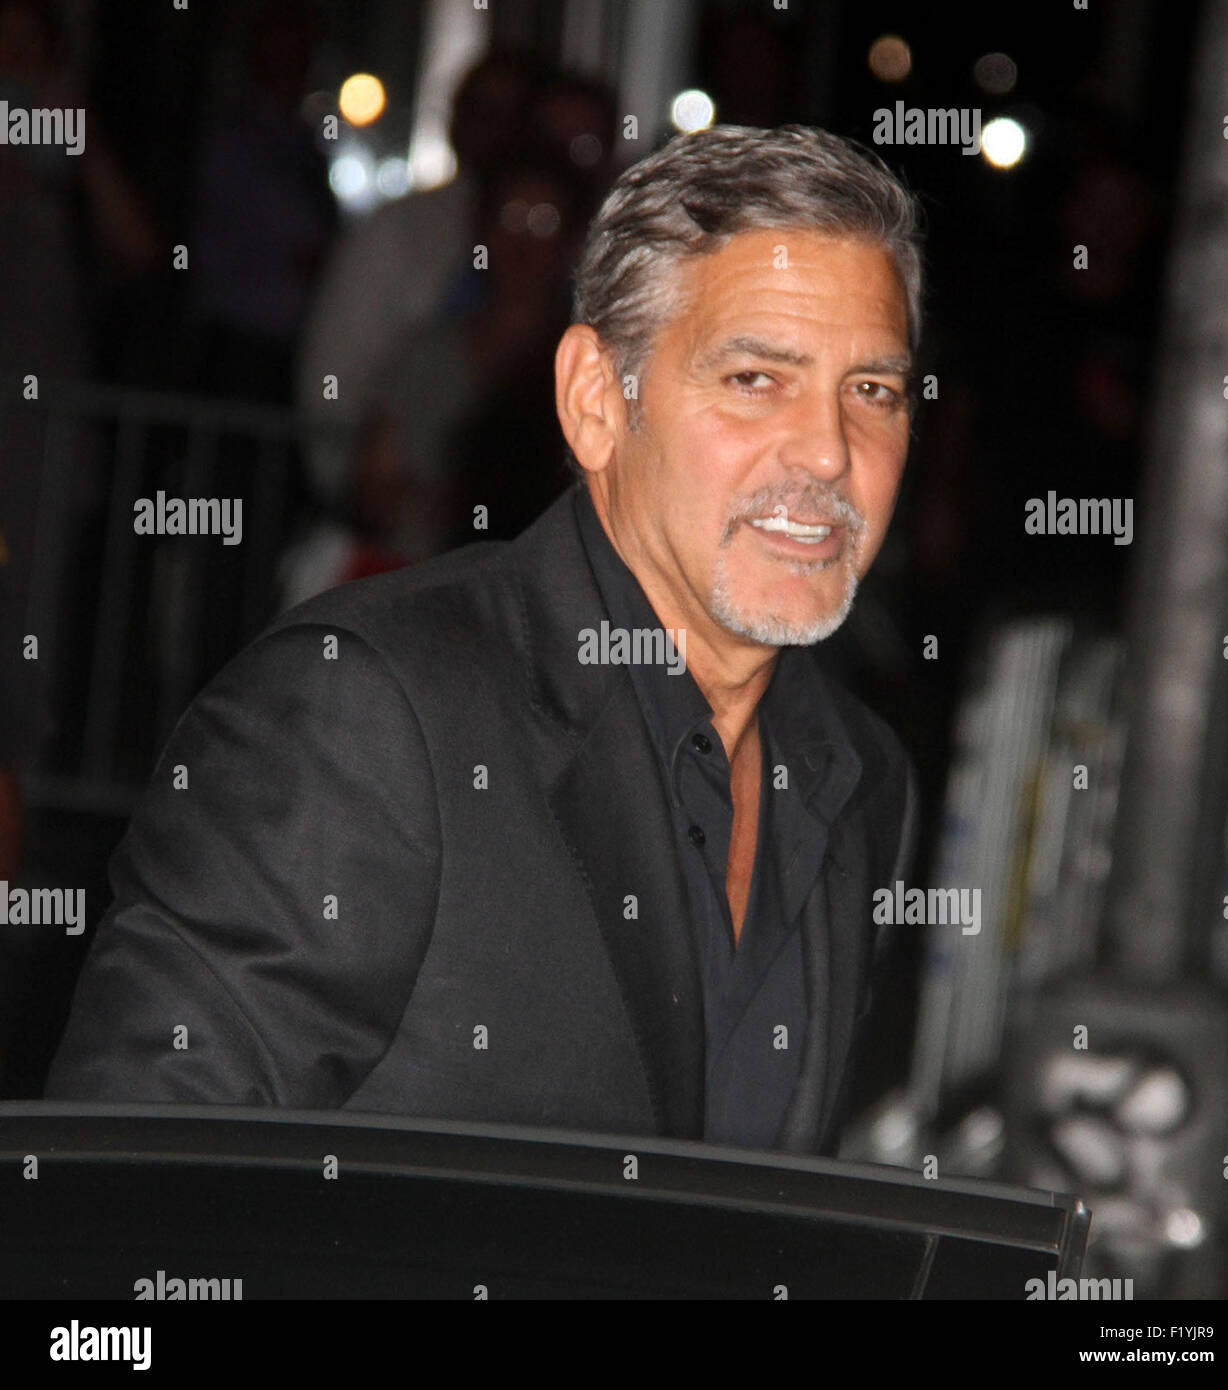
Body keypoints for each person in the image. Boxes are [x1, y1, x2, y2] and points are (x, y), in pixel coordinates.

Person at [45, 124, 921, 1157]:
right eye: (753, 379)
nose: (827, 448)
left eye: (873, 390)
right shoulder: (361, 715)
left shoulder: (858, 777)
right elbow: (132, 1207)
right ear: (596, 402)